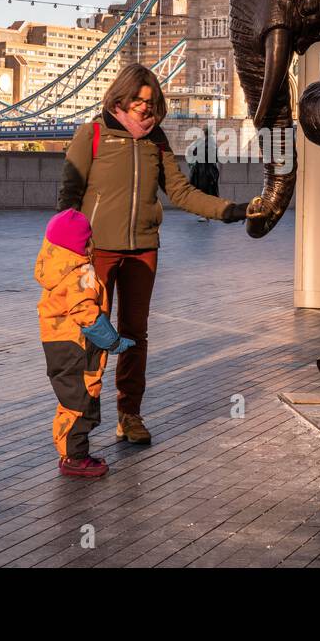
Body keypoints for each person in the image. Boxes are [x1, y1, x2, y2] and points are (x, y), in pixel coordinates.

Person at [58, 63, 255, 445]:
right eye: (138, 101)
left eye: (150, 102)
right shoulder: (93, 134)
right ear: (121, 98)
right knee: (93, 333)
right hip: (96, 252)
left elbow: (181, 192)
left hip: (143, 251)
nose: (145, 109)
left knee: (135, 335)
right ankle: (81, 417)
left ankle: (129, 415)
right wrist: (68, 252)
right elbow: (68, 196)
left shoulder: (157, 140)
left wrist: (230, 210)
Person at [34, 208, 136, 478]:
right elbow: (87, 315)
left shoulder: (56, 269)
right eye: (89, 238)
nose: (93, 243)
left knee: (70, 397)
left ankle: (69, 452)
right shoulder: (81, 273)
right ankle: (75, 457)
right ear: (80, 244)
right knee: (81, 398)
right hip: (76, 344)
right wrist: (113, 342)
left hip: (58, 343)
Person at [187, 127, 221, 222]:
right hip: (206, 170)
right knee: (206, 192)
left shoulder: (205, 143)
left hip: (204, 171)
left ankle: (206, 214)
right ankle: (207, 213)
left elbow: (194, 152)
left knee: (204, 192)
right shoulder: (209, 143)